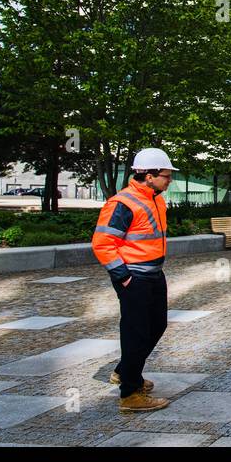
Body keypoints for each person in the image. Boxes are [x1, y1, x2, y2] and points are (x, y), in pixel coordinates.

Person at [92, 148, 175, 413]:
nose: (169, 180)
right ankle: (130, 394)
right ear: (148, 176)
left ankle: (125, 372)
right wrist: (123, 277)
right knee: (136, 332)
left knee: (156, 325)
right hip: (134, 278)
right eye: (165, 175)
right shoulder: (123, 203)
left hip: (153, 274)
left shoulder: (156, 199)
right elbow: (103, 243)